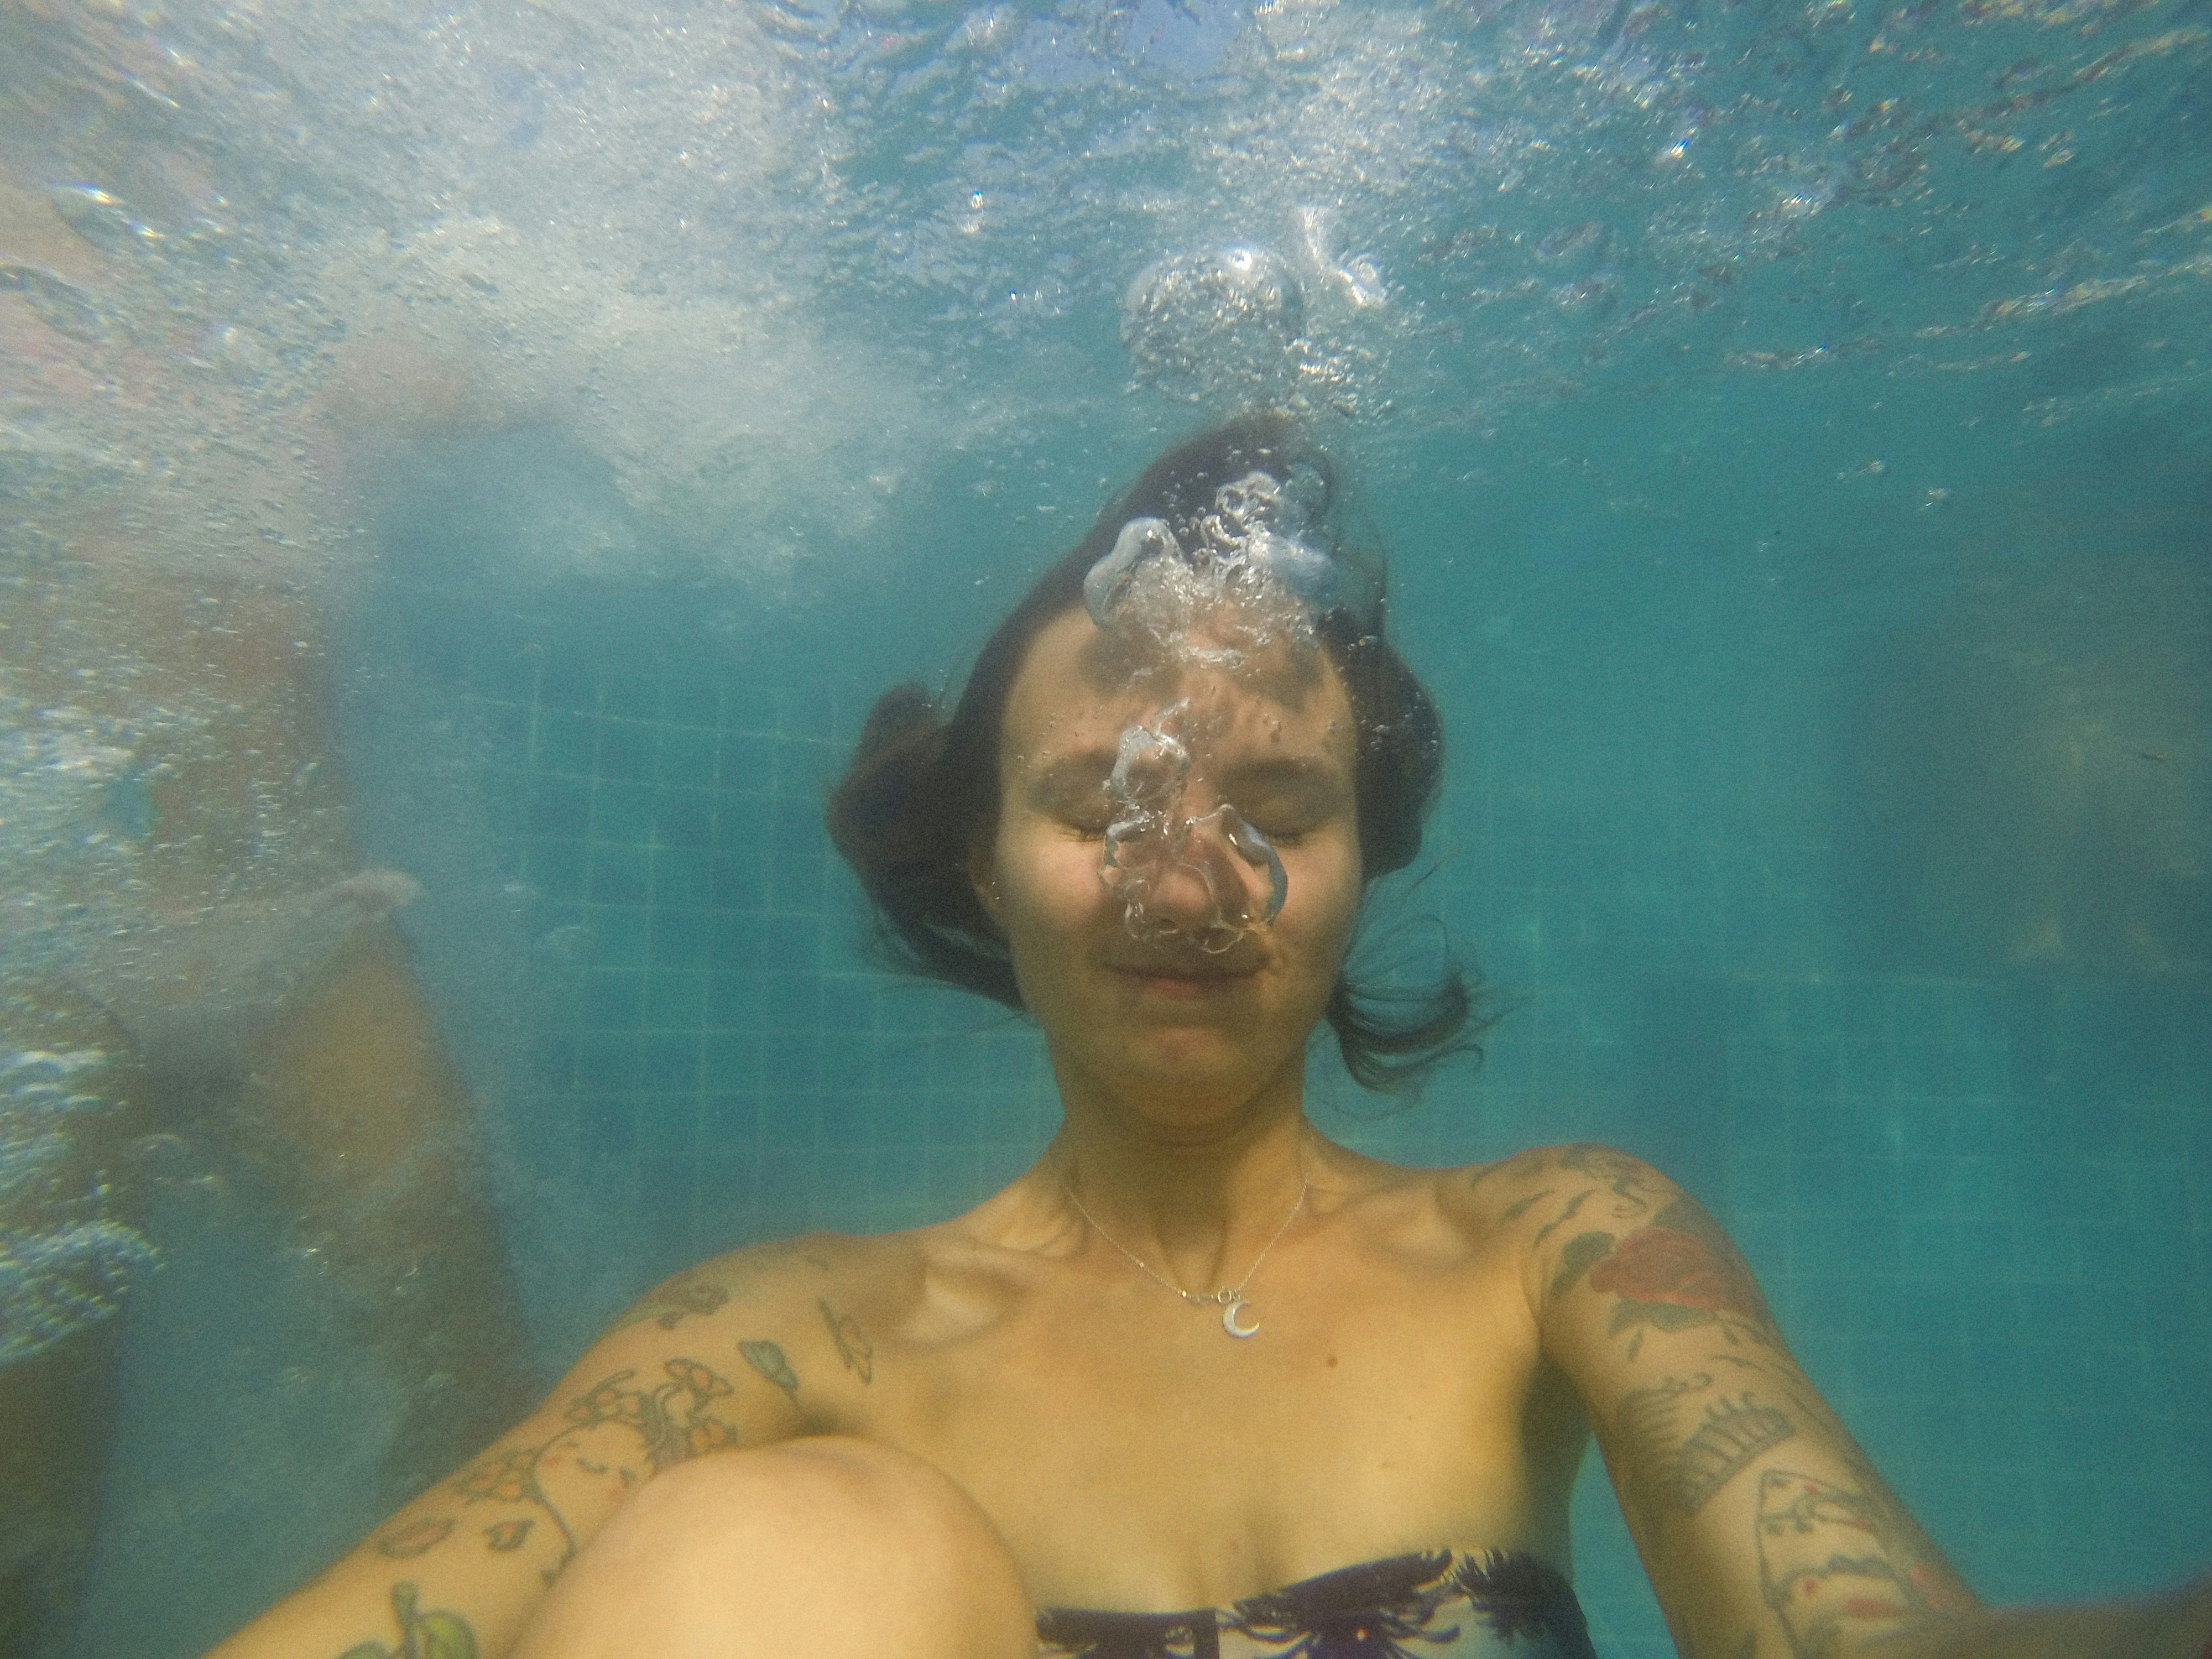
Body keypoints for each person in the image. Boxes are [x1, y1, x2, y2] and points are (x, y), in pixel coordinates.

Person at [206, 417, 2211, 1659]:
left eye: (1276, 815)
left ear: (1360, 869)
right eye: (1102, 810)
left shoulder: (1559, 1248)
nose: (1189, 888)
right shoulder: (793, 1340)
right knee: (783, 1541)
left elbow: (1856, 1639)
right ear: (982, 863)